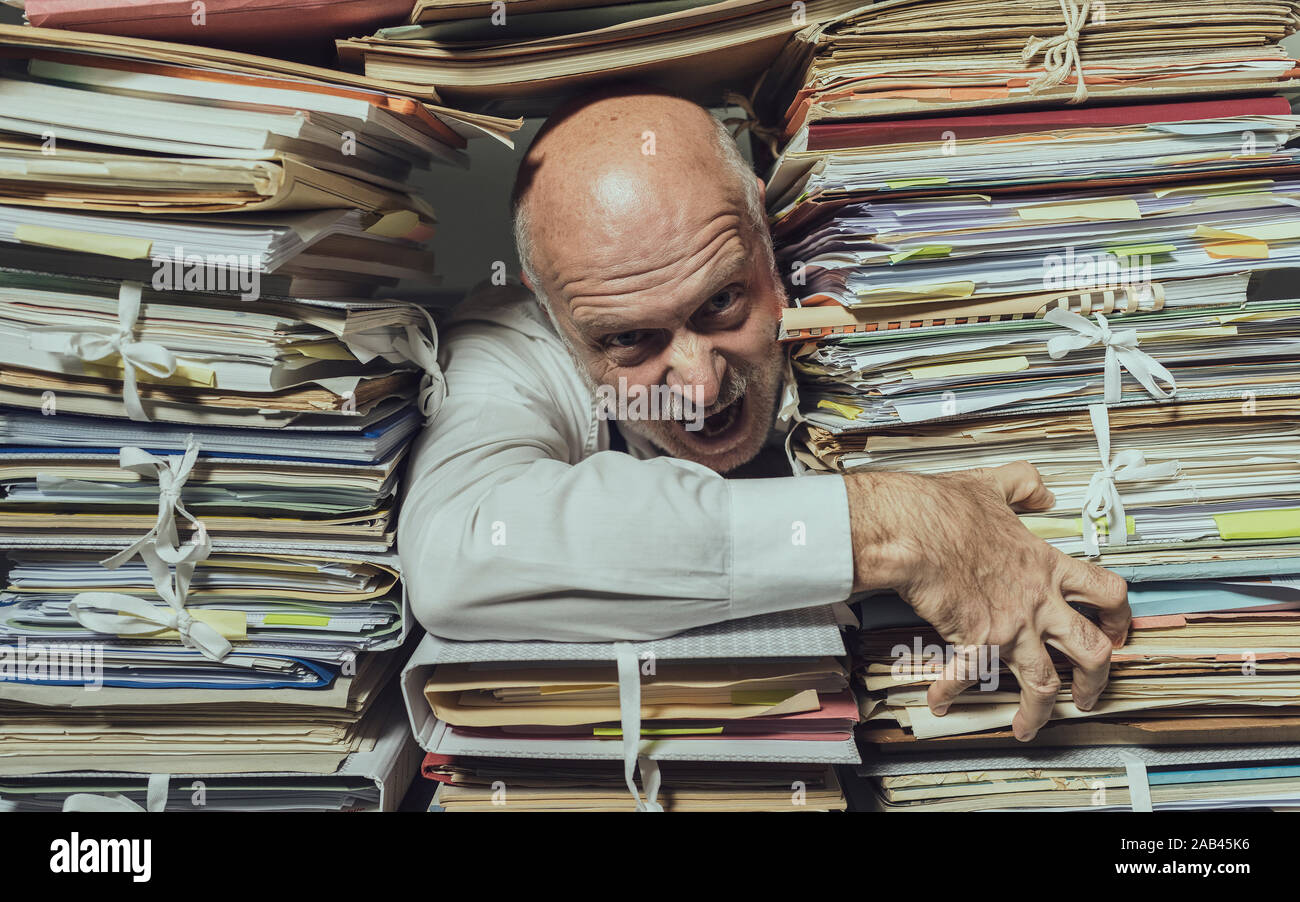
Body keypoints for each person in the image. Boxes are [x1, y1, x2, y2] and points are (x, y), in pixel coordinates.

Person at [398, 88, 1131, 743]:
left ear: (760, 225)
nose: (698, 382)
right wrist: (887, 523)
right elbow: (455, 550)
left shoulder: (852, 272)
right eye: (628, 338)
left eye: (721, 302)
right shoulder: (509, 342)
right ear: (548, 304)